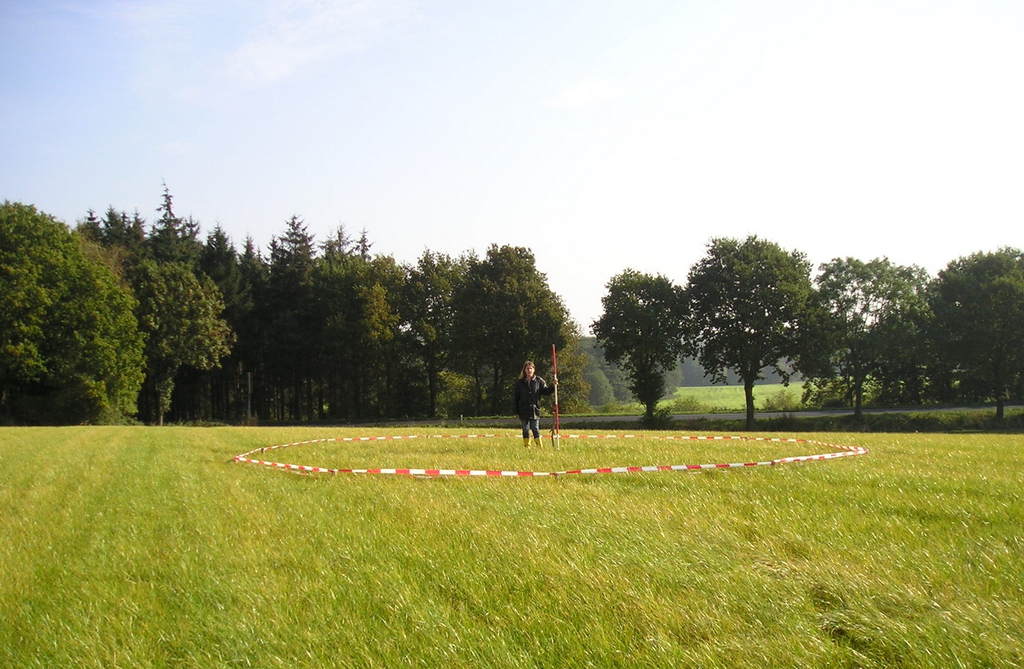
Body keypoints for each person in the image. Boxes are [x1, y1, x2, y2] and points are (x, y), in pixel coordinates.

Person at [513, 360, 556, 447]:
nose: (529, 370)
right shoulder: (519, 383)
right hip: (523, 410)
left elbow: (546, 391)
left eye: (531, 368)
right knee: (525, 429)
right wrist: (516, 411)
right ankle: (527, 447)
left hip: (534, 410)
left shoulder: (539, 381)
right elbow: (515, 398)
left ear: (534, 370)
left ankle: (539, 447)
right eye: (527, 368)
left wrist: (553, 385)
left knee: (535, 429)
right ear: (524, 370)